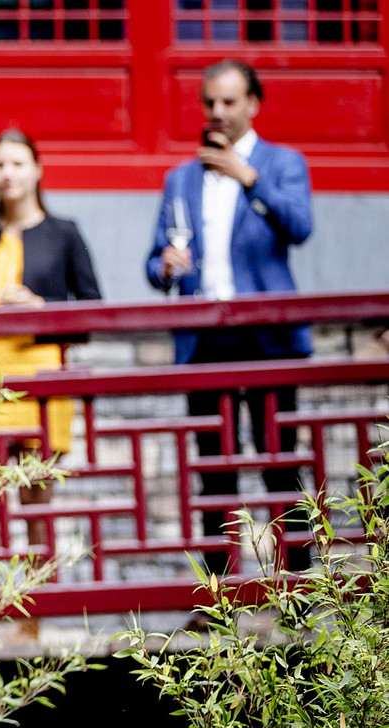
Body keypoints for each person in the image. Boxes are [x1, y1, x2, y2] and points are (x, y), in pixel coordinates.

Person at [145, 59, 314, 573]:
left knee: (281, 464)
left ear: (253, 104)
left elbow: (300, 227)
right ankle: (220, 596)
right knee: (213, 471)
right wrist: (166, 266)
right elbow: (153, 263)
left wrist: (249, 179)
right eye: (210, 102)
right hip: (205, 338)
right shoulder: (180, 178)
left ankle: (302, 591)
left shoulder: (282, 163)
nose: (217, 111)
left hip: (268, 336)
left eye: (229, 101)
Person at [0, 129, 101, 549]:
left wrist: (41, 307)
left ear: (37, 170)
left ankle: (39, 595)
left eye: (17, 163)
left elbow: (92, 311)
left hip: (40, 375)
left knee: (37, 507)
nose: (8, 173)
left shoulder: (64, 233)